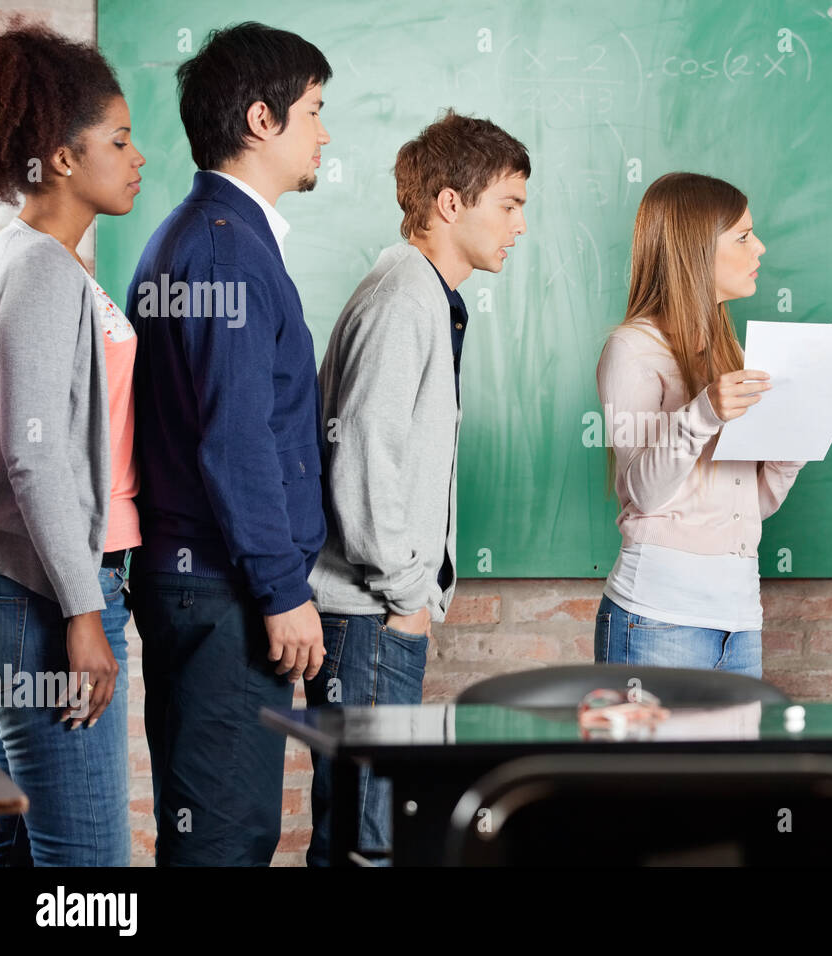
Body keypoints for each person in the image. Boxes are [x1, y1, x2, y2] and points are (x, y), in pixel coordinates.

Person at [126, 22, 331, 865]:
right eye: (314, 111)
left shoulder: (212, 238)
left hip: (204, 585)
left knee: (215, 825)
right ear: (260, 119)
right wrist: (283, 591)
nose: (325, 133)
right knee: (224, 837)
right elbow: (234, 438)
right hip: (219, 591)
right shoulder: (226, 254)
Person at [305, 110, 529, 865]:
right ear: (450, 203)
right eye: (510, 204)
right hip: (369, 615)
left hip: (375, 611)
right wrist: (407, 595)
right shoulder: (405, 298)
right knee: (371, 844)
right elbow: (365, 456)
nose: (520, 226)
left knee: (363, 833)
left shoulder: (421, 293)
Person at [0, 24, 146, 865]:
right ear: (59, 157)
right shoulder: (42, 267)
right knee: (88, 873)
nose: (137, 157)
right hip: (46, 600)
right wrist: (84, 613)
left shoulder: (28, 256)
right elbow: (34, 452)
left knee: (15, 856)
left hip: (21, 590)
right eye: (118, 140)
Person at [592, 172, 798, 678]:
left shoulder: (731, 354)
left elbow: (754, 507)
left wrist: (792, 446)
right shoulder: (634, 348)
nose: (761, 248)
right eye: (744, 236)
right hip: (657, 620)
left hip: (741, 620)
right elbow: (644, 492)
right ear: (695, 250)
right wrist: (703, 413)